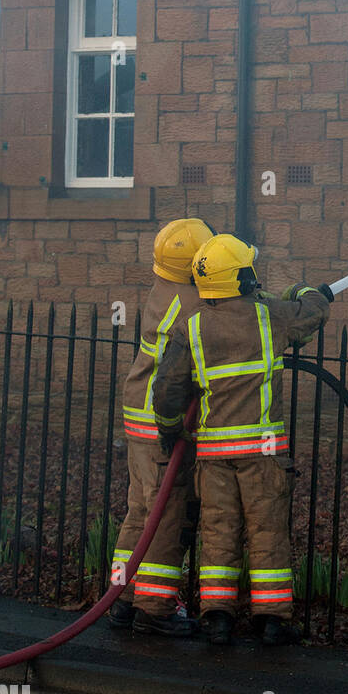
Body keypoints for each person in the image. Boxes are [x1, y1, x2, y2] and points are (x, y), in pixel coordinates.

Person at [152, 233, 333, 646]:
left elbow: (167, 390)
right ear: (243, 278)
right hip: (264, 454)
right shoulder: (270, 316)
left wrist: (170, 429)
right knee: (267, 532)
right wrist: (305, 291)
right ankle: (272, 620)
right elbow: (313, 313)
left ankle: (217, 617)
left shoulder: (192, 328)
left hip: (213, 457)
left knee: (218, 531)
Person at [109, 217, 215, 637]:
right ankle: (154, 608)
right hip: (160, 421)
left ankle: (120, 597)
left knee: (140, 510)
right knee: (166, 514)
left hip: (138, 414)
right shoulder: (193, 304)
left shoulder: (164, 289)